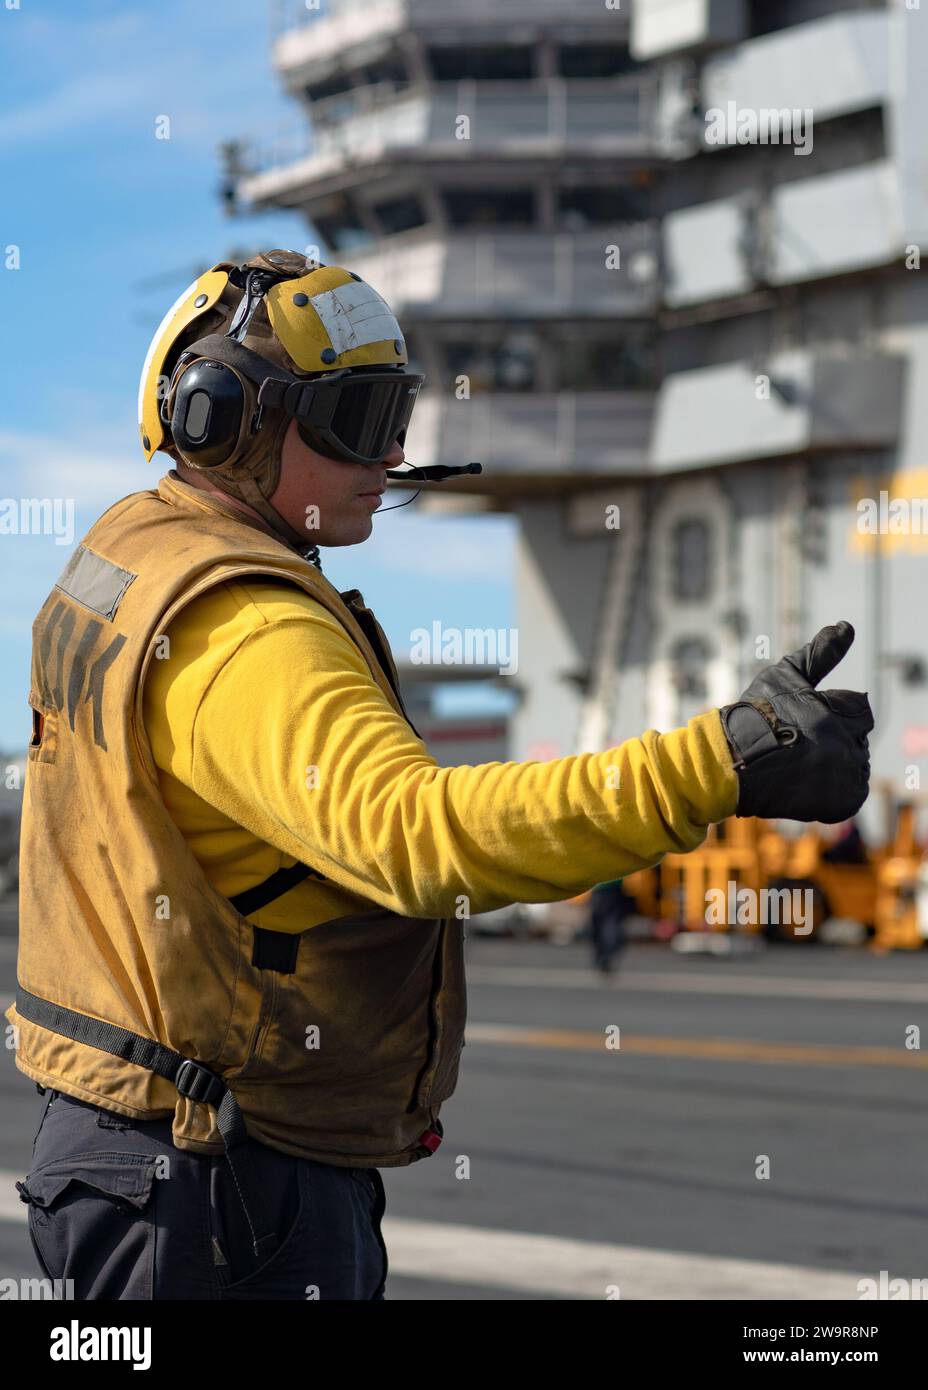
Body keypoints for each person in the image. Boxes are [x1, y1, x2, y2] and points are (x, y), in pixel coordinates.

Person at [8, 250, 874, 1300]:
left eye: (396, 414)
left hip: (120, 1146)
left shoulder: (129, 555)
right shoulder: (247, 626)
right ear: (223, 419)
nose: (393, 453)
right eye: (358, 419)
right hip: (222, 1182)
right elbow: (424, 839)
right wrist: (720, 761)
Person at [589, 878, 635, 974]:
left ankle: (603, 955)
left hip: (600, 888)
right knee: (611, 922)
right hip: (616, 888)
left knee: (601, 924)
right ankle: (607, 954)